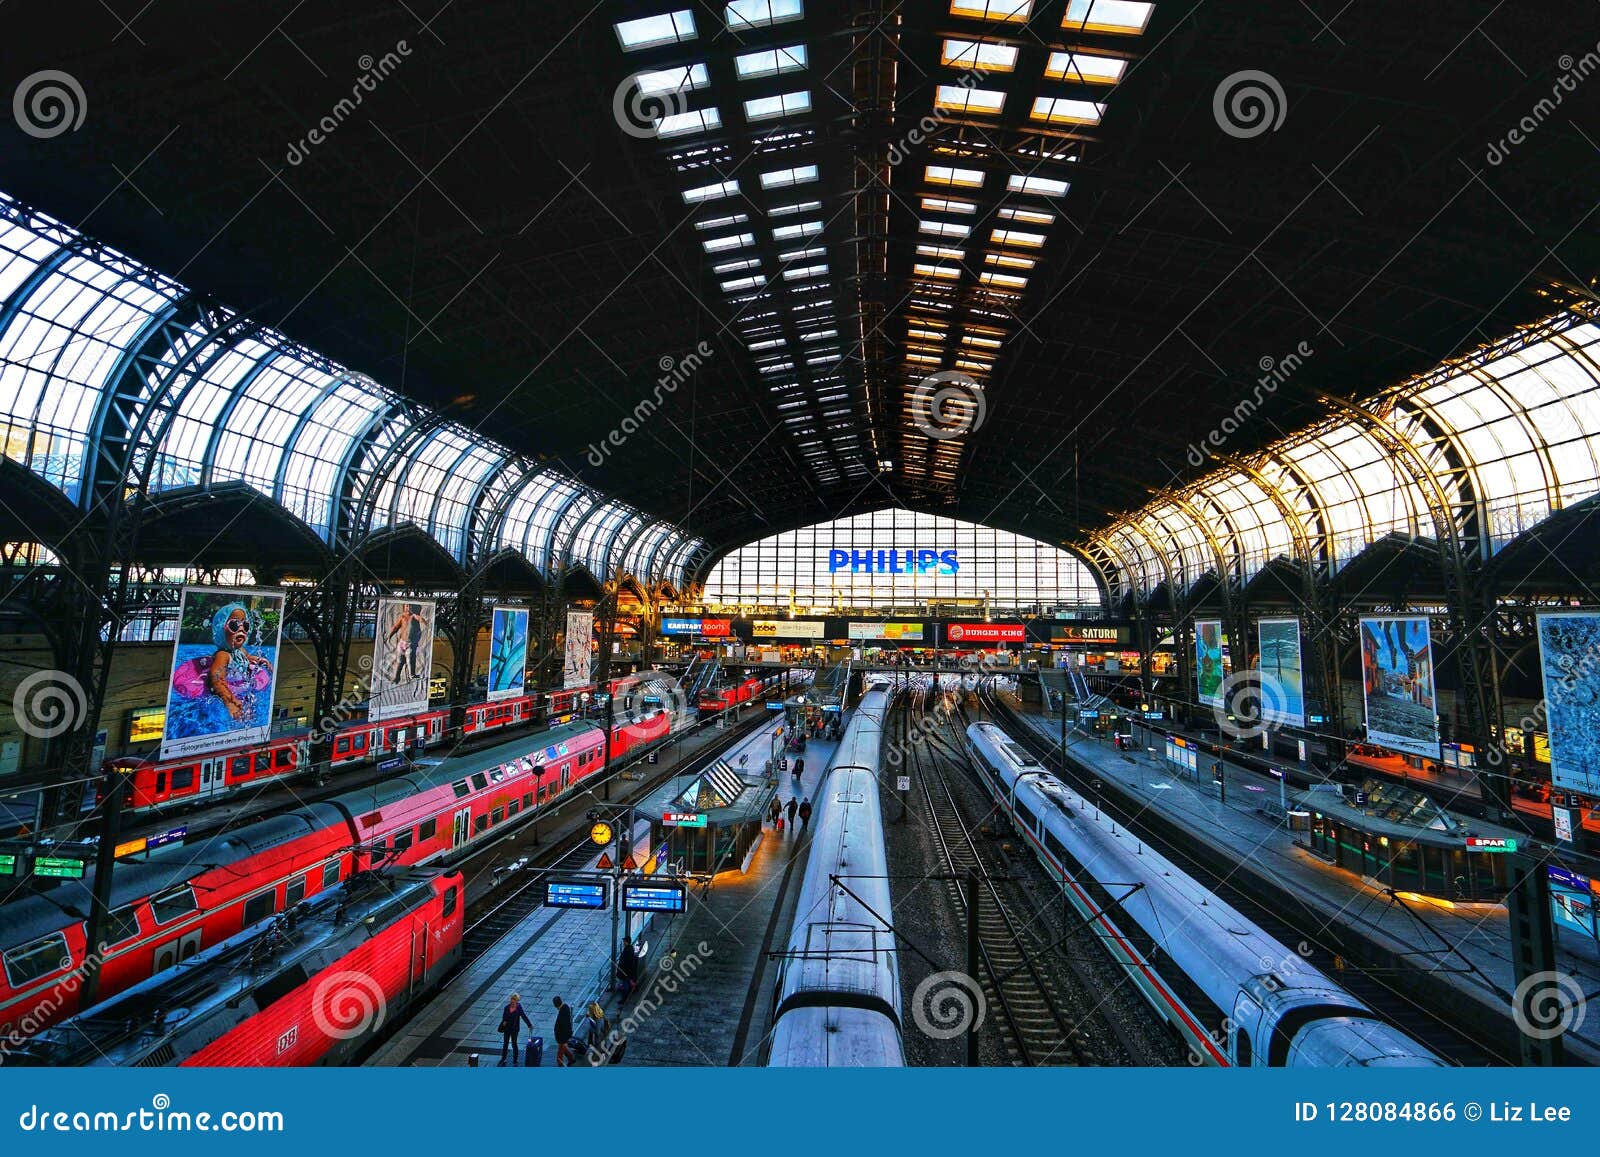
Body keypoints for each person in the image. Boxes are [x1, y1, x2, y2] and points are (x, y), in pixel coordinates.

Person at [498, 993, 533, 1066]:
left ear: (517, 1001)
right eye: (512, 999)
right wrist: (504, 1022)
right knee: (505, 1043)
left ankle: (515, 1060)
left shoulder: (519, 1008)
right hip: (507, 1029)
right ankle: (503, 1058)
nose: (512, 1001)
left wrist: (529, 1025)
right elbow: (504, 1018)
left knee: (514, 1044)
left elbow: (523, 1016)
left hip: (514, 1029)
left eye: (514, 1000)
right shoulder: (506, 1008)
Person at [553, 995, 574, 1066]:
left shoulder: (562, 1012)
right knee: (563, 1049)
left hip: (562, 1036)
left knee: (559, 1054)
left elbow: (562, 1025)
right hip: (564, 1035)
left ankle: (560, 1065)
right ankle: (571, 1058)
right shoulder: (565, 1007)